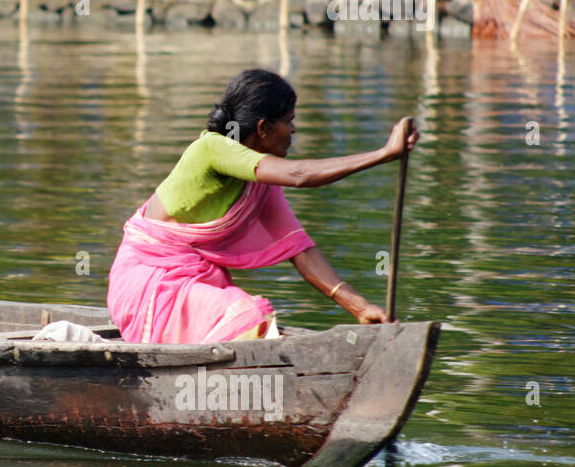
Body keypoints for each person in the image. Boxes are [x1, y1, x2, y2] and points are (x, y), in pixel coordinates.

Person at [107, 69, 421, 346]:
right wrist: (384, 154)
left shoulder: (259, 185)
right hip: (148, 285)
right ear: (263, 128)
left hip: (186, 283)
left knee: (248, 318)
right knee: (250, 316)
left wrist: (360, 307)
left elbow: (299, 249)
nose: (294, 129)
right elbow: (300, 175)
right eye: (288, 120)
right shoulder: (212, 149)